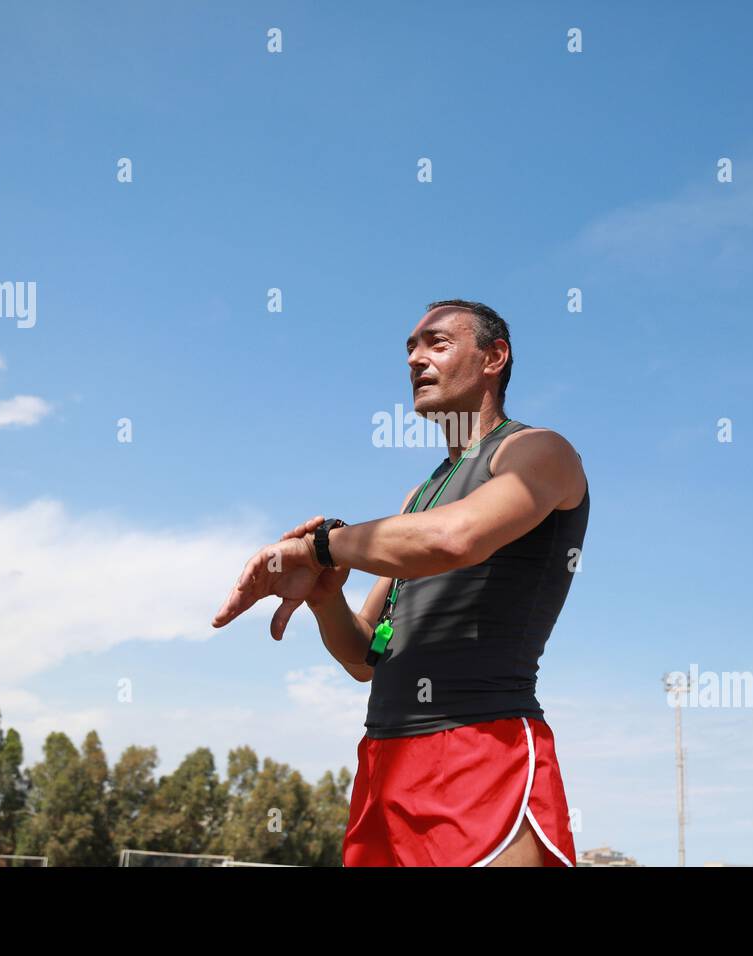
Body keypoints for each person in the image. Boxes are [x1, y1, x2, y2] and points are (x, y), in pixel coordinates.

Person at [212, 299, 589, 866]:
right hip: (385, 758)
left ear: (494, 357)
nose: (415, 359)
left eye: (436, 343)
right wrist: (325, 595)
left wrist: (319, 546)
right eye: (409, 349)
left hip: (480, 748)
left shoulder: (538, 451)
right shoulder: (419, 496)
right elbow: (364, 655)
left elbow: (454, 539)